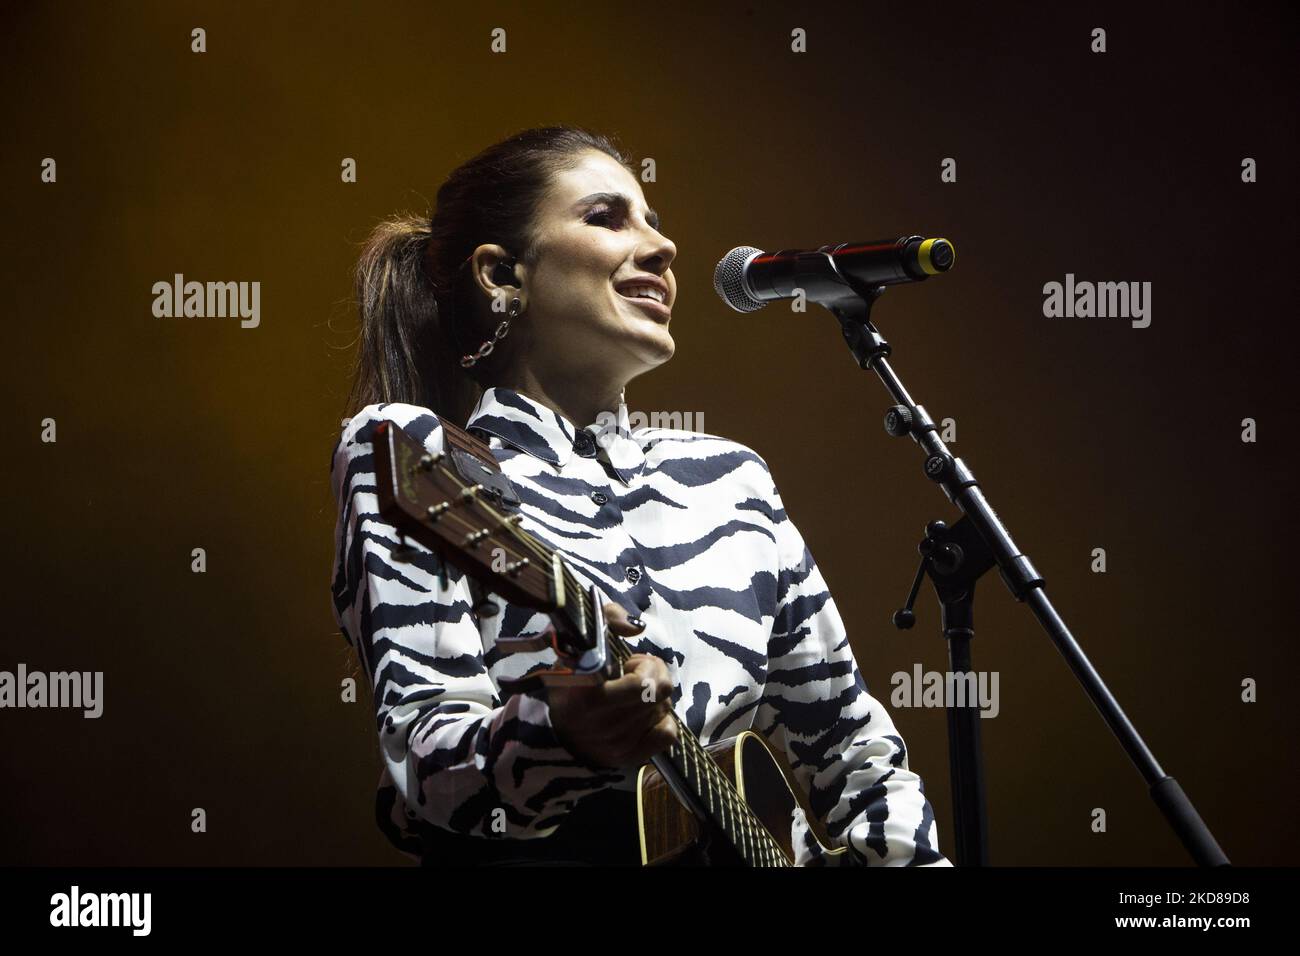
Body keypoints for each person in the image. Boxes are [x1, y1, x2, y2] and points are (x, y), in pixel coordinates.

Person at [329, 125, 950, 866]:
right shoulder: (421, 459)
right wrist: (558, 737)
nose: (664, 247)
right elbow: (424, 770)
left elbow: (855, 752)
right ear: (501, 275)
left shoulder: (732, 480)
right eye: (606, 217)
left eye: (654, 221)